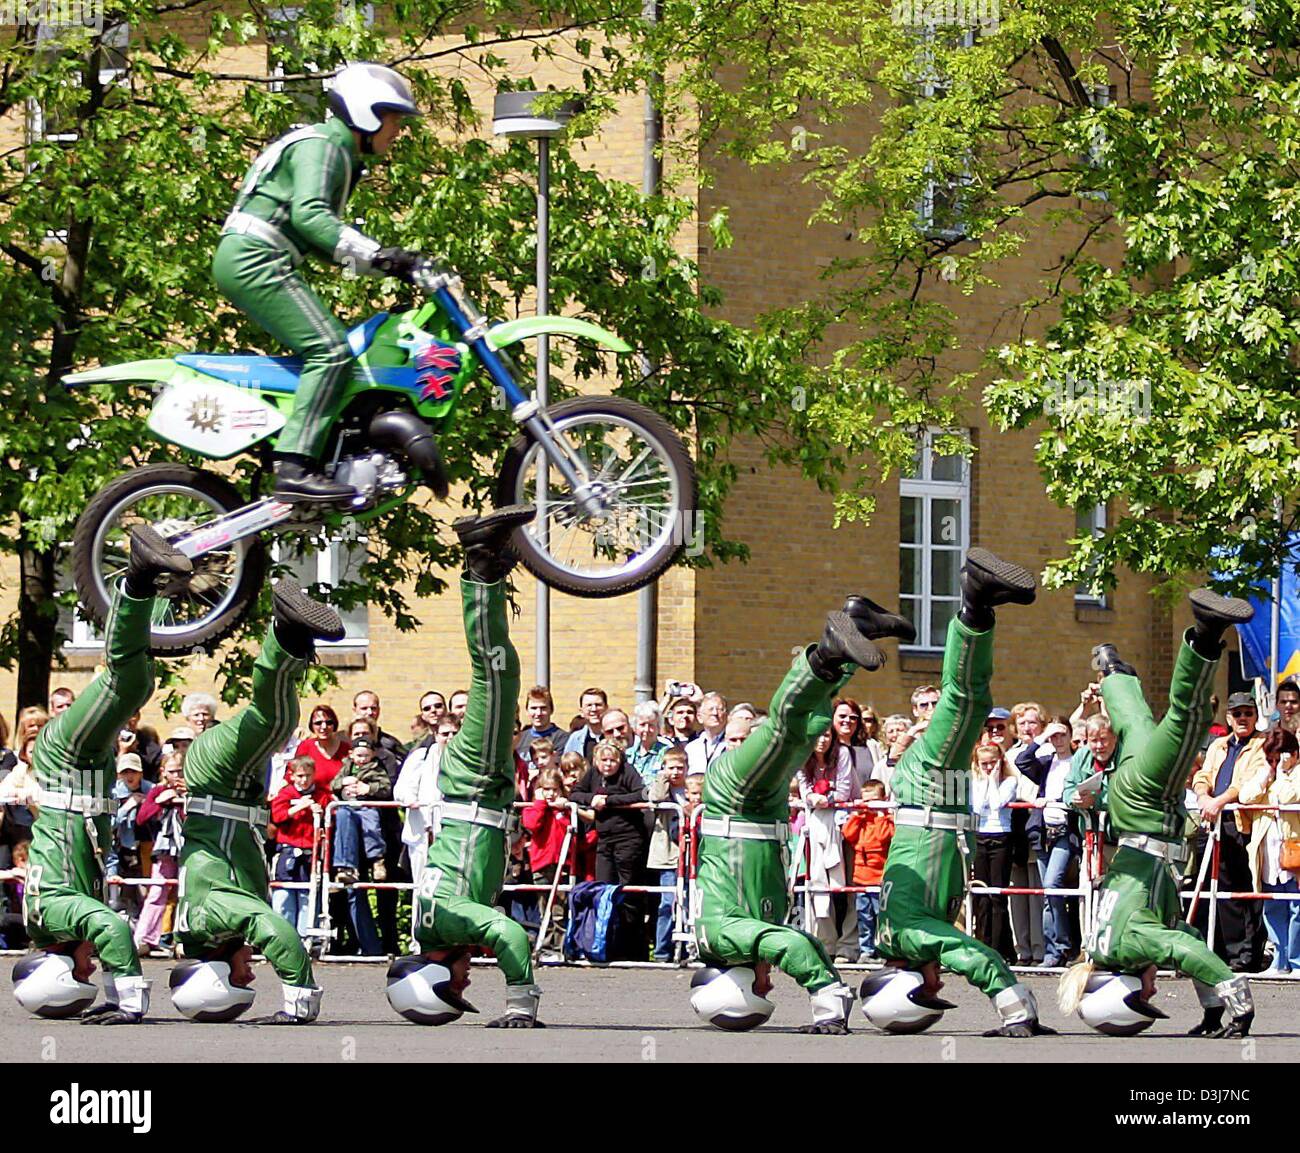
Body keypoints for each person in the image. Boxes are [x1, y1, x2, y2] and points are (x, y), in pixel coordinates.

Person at [689, 593, 913, 1033]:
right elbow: (803, 939)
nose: (770, 985)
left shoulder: (721, 939)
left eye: (761, 989)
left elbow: (789, 944)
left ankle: (828, 649)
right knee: (809, 728)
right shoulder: (738, 941)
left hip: (736, 797)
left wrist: (826, 995)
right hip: (762, 809)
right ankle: (856, 627)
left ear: (734, 987)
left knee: (780, 727)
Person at [213, 62, 424, 503]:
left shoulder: (333, 150)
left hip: (258, 257)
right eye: (394, 119)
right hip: (257, 258)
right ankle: (294, 466)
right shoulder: (323, 146)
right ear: (366, 113)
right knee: (330, 350)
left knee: (330, 350)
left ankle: (318, 449)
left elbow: (325, 242)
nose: (398, 131)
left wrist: (387, 265)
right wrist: (377, 255)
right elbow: (311, 217)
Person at [872, 548, 1053, 1037]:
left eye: (929, 990)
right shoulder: (902, 938)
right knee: (972, 703)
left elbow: (970, 953)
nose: (938, 983)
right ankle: (974, 607)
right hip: (939, 797)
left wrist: (1014, 1006)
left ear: (907, 984)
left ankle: (973, 600)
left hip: (930, 789)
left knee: (966, 701)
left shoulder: (909, 937)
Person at [13, 527, 190, 1024]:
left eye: (83, 972)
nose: (92, 967)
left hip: (65, 760)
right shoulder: (52, 921)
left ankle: (136, 578)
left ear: (62, 968)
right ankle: (156, 591)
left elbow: (111, 926)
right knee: (137, 683)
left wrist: (123, 997)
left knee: (124, 681)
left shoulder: (52, 916)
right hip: (86, 775)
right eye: (94, 974)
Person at [1061, 589, 1257, 1037]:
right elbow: (1184, 939)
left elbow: (1185, 953)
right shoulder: (1101, 948)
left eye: (1143, 998)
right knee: (1135, 724)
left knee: (1185, 724)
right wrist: (1210, 1009)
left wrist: (1236, 1000)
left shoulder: (1130, 947)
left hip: (1147, 806)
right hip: (1134, 809)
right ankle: (1112, 669)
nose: (1152, 993)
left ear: (1124, 989)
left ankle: (1205, 635)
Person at [386, 506, 547, 1029]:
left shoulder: (449, 923)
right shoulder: (439, 931)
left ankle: (480, 566)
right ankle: (487, 567)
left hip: (473, 784)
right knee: (500, 675)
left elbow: (510, 933)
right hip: (485, 796)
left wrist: (520, 1002)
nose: (467, 982)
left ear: (432, 980)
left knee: (496, 675)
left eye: (454, 988)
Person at [172, 580, 345, 1025]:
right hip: (236, 788)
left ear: (215, 976)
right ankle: (295, 637)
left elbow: (275, 929)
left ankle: (284, 630)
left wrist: (298, 998)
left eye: (243, 977)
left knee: (275, 719)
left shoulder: (213, 921)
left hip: (217, 780)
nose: (251, 972)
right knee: (279, 722)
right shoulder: (205, 929)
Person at [1192, 691, 1269, 971]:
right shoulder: (1218, 746)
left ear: (1256, 716)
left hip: (1242, 822)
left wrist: (1217, 801)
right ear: (1228, 717)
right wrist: (1203, 797)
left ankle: (1248, 952)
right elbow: (1203, 775)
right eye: (1237, 714)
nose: (1243, 719)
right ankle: (1229, 950)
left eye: (1248, 713)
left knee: (1243, 888)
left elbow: (1247, 784)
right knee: (1221, 889)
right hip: (1214, 821)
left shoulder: (1263, 744)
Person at [1239, 728, 1300, 975]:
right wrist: (1267, 773)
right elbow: (1246, 796)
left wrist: (1284, 772)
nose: (1275, 763)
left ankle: (1297, 961)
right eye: (1271, 758)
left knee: (1296, 908)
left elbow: (1286, 797)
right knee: (1273, 908)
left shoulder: (1295, 775)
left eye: (1280, 757)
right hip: (1267, 854)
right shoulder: (1265, 773)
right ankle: (1280, 960)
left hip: (1293, 852)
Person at [270, 755, 330, 941]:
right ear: (292, 775)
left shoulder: (322, 795)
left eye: (308, 776)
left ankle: (306, 937)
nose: (304, 780)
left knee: (308, 895)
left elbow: (331, 814)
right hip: (288, 848)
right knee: (284, 894)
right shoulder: (286, 794)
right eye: (300, 776)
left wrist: (320, 811)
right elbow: (277, 816)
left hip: (310, 851)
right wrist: (297, 807)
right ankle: (283, 939)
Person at [133, 752, 187, 957]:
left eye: (180, 771)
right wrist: (161, 801)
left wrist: (184, 799)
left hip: (188, 846)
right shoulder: (157, 791)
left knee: (186, 892)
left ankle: (183, 936)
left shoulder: (191, 791)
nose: (176, 775)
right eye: (172, 771)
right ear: (163, 772)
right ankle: (144, 937)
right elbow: (141, 818)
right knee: (157, 891)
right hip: (164, 848)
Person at [969, 741, 1017, 963]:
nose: (988, 768)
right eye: (984, 764)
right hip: (980, 837)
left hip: (1001, 837)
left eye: (992, 763)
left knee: (997, 896)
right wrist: (986, 780)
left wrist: (993, 780)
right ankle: (982, 944)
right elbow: (978, 808)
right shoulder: (974, 782)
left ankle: (1000, 949)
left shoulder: (1010, 781)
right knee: (981, 895)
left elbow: (997, 804)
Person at [522, 767, 574, 957]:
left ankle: (559, 948)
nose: (551, 794)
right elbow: (532, 824)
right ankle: (545, 947)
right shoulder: (535, 807)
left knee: (560, 909)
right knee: (545, 909)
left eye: (554, 790)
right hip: (541, 864)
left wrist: (561, 811)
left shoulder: (566, 810)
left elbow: (571, 830)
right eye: (546, 789)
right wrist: (540, 803)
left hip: (562, 864)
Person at [841, 779, 893, 961]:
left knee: (882, 917)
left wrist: (880, 814)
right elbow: (848, 834)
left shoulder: (886, 820)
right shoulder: (860, 820)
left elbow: (882, 837)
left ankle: (884, 950)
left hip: (880, 879)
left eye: (874, 800)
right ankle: (866, 951)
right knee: (864, 917)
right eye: (866, 801)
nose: (869, 805)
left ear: (883, 799)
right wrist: (857, 814)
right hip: (861, 878)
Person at [647, 747, 688, 962]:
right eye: (671, 768)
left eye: (680, 768)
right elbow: (656, 797)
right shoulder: (661, 786)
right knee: (667, 902)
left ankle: (689, 948)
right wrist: (662, 777)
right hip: (667, 854)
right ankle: (662, 951)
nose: (675, 772)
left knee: (690, 902)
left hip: (690, 855)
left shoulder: (691, 788)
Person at [296, 705, 349, 790]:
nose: (324, 727)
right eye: (318, 723)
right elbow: (293, 773)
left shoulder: (346, 749)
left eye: (329, 723)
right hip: (313, 798)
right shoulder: (305, 747)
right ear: (311, 726)